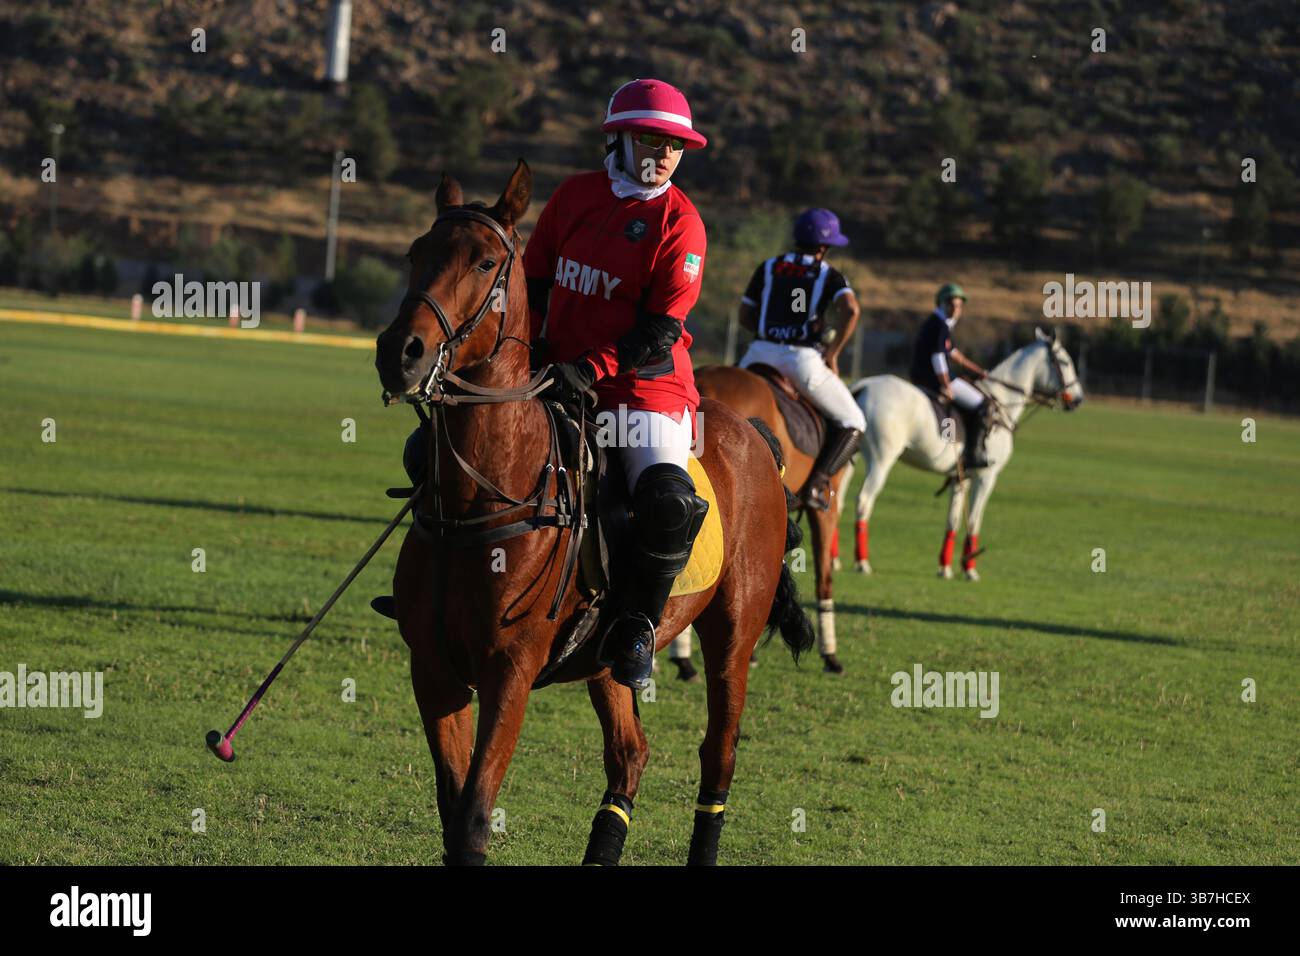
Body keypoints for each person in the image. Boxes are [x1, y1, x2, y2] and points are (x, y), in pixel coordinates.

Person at [520, 78, 711, 690]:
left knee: (667, 502)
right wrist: (530, 359)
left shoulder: (681, 224)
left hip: (642, 394)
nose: (663, 154)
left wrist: (590, 370)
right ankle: (434, 583)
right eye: (651, 140)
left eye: (674, 144)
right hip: (553, 373)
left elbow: (659, 331)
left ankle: (636, 626)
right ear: (621, 139)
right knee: (447, 445)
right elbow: (536, 284)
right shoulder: (573, 196)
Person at [736, 208, 863, 510]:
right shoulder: (828, 274)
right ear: (824, 247)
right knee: (854, 421)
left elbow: (744, 315)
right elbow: (851, 310)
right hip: (800, 359)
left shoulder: (768, 267)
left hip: (758, 353)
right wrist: (832, 354)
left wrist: (769, 329)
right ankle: (818, 485)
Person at [909, 282, 994, 468]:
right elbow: (938, 359)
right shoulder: (940, 326)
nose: (956, 309)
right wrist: (946, 385)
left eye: (959, 306)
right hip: (933, 380)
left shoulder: (939, 324)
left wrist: (980, 372)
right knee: (985, 405)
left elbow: (956, 356)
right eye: (952, 305)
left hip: (922, 377)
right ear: (941, 304)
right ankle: (974, 454)